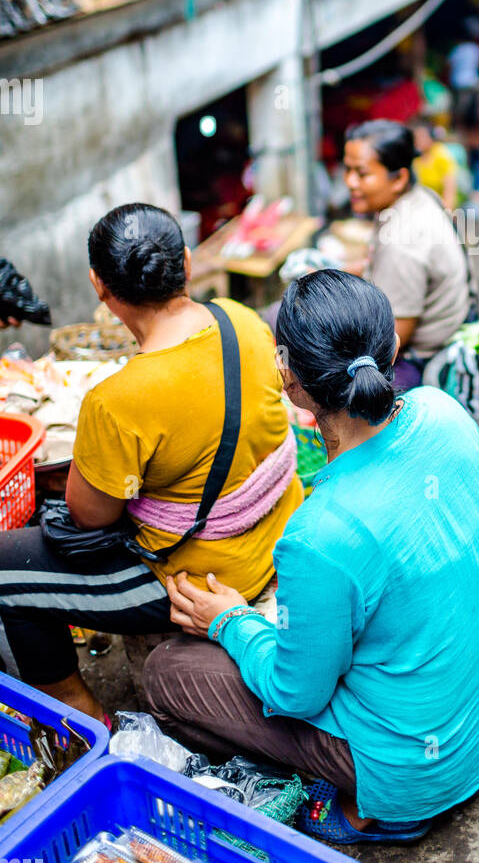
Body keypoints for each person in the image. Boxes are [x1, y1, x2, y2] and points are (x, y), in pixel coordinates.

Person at [143, 269, 479, 844]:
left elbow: (297, 694)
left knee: (167, 674)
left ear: (288, 379)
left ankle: (366, 807)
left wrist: (229, 622)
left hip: (414, 772)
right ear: (391, 346)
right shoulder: (445, 412)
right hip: (477, 725)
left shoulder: (319, 534)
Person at [0, 204, 303, 721]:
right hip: (278, 530)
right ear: (185, 261)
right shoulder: (243, 320)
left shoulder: (116, 400)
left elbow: (91, 517)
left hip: (201, 575)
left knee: (7, 568)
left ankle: (79, 712)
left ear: (99, 286)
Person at [343, 120, 473, 390]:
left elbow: (394, 338)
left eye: (362, 173)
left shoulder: (401, 242)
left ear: (399, 178)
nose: (350, 182)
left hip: (423, 358)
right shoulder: (420, 197)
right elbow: (374, 262)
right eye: (347, 170)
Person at [412, 116, 459, 210]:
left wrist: (446, 212)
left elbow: (450, 190)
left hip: (439, 207)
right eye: (416, 138)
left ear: (431, 139)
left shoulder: (441, 156)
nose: (418, 141)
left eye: (422, 137)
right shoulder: (414, 158)